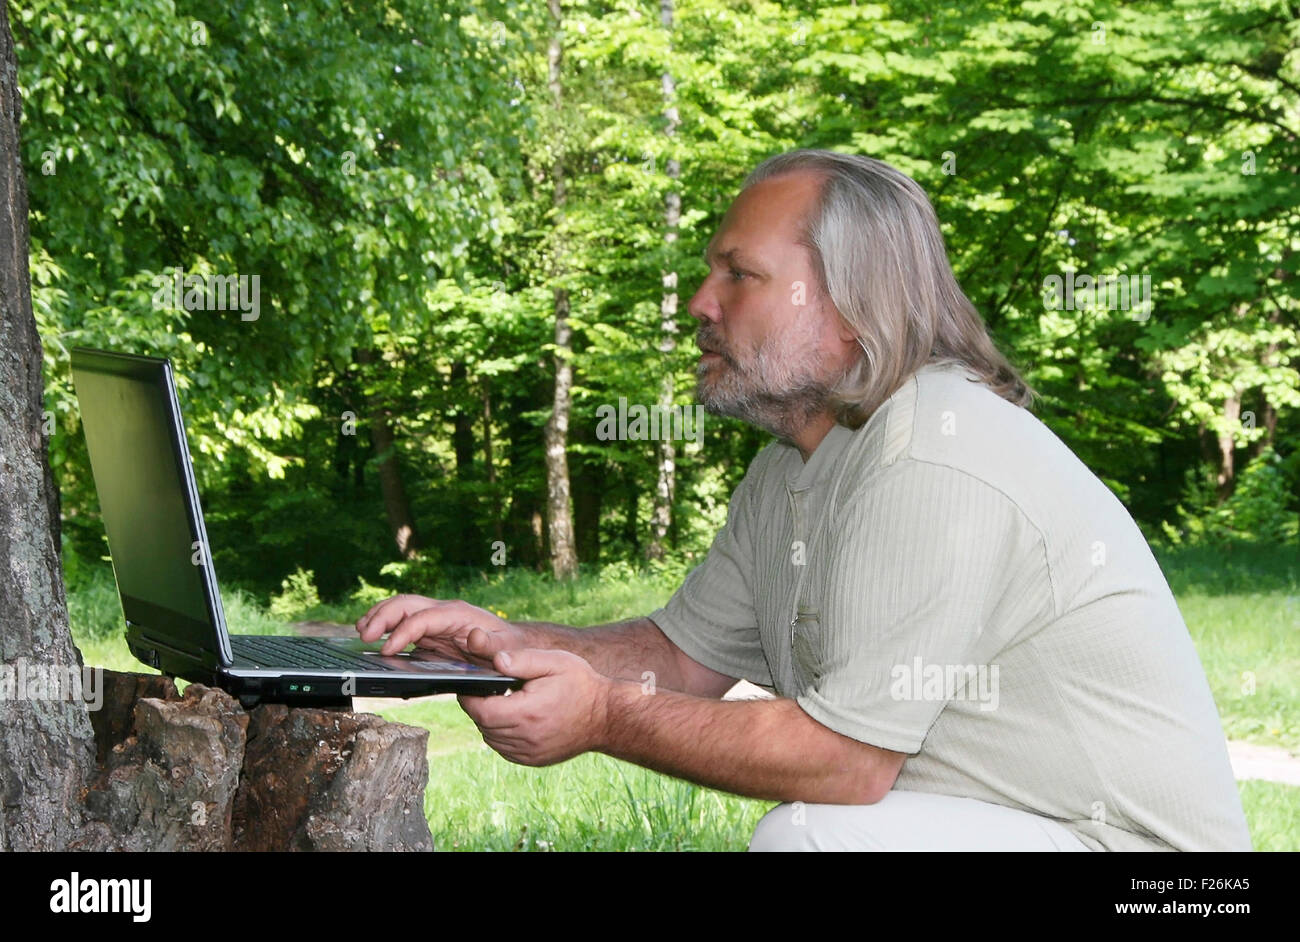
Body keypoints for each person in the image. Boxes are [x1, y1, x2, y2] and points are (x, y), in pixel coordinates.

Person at [356, 149, 1252, 852]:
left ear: (855, 306)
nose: (700, 304)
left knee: (818, 839)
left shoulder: (935, 454)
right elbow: (680, 655)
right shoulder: (794, 465)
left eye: (739, 275)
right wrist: (508, 642)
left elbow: (846, 763)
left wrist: (601, 716)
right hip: (1023, 835)